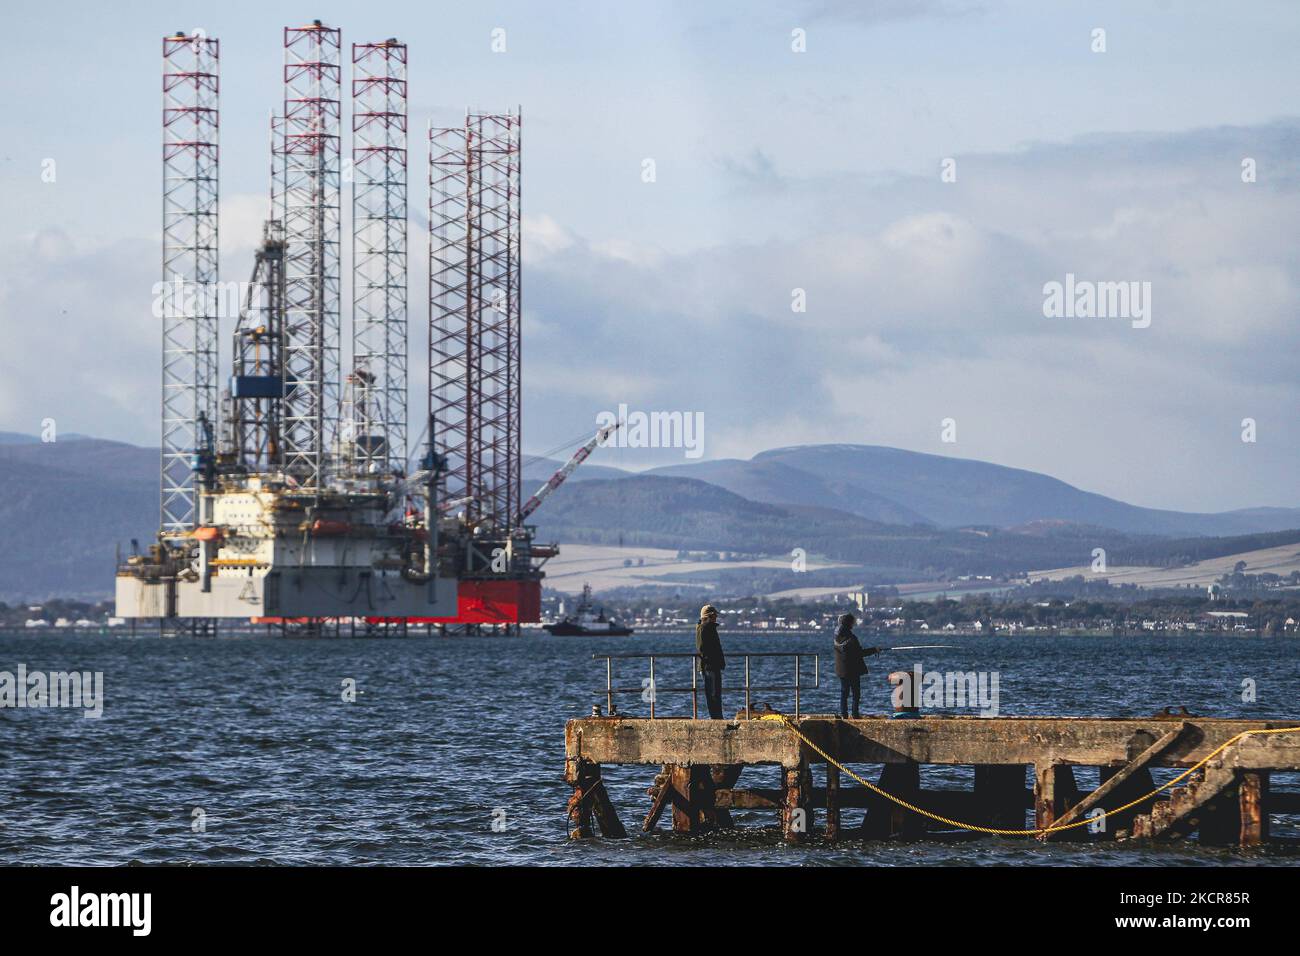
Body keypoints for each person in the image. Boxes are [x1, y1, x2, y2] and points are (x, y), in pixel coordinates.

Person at [833, 613, 881, 719]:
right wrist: (875, 650)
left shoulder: (836, 637)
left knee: (844, 692)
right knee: (856, 693)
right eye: (852, 623)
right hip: (852, 670)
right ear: (849, 623)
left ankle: (843, 714)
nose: (853, 625)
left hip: (841, 670)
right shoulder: (851, 638)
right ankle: (855, 714)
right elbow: (860, 653)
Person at [695, 604, 725, 719]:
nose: (716, 617)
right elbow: (701, 647)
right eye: (714, 615)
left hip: (712, 665)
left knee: (715, 693)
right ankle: (716, 717)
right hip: (709, 666)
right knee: (713, 694)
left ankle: (717, 717)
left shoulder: (708, 627)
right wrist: (713, 657)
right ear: (709, 616)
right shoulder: (704, 628)